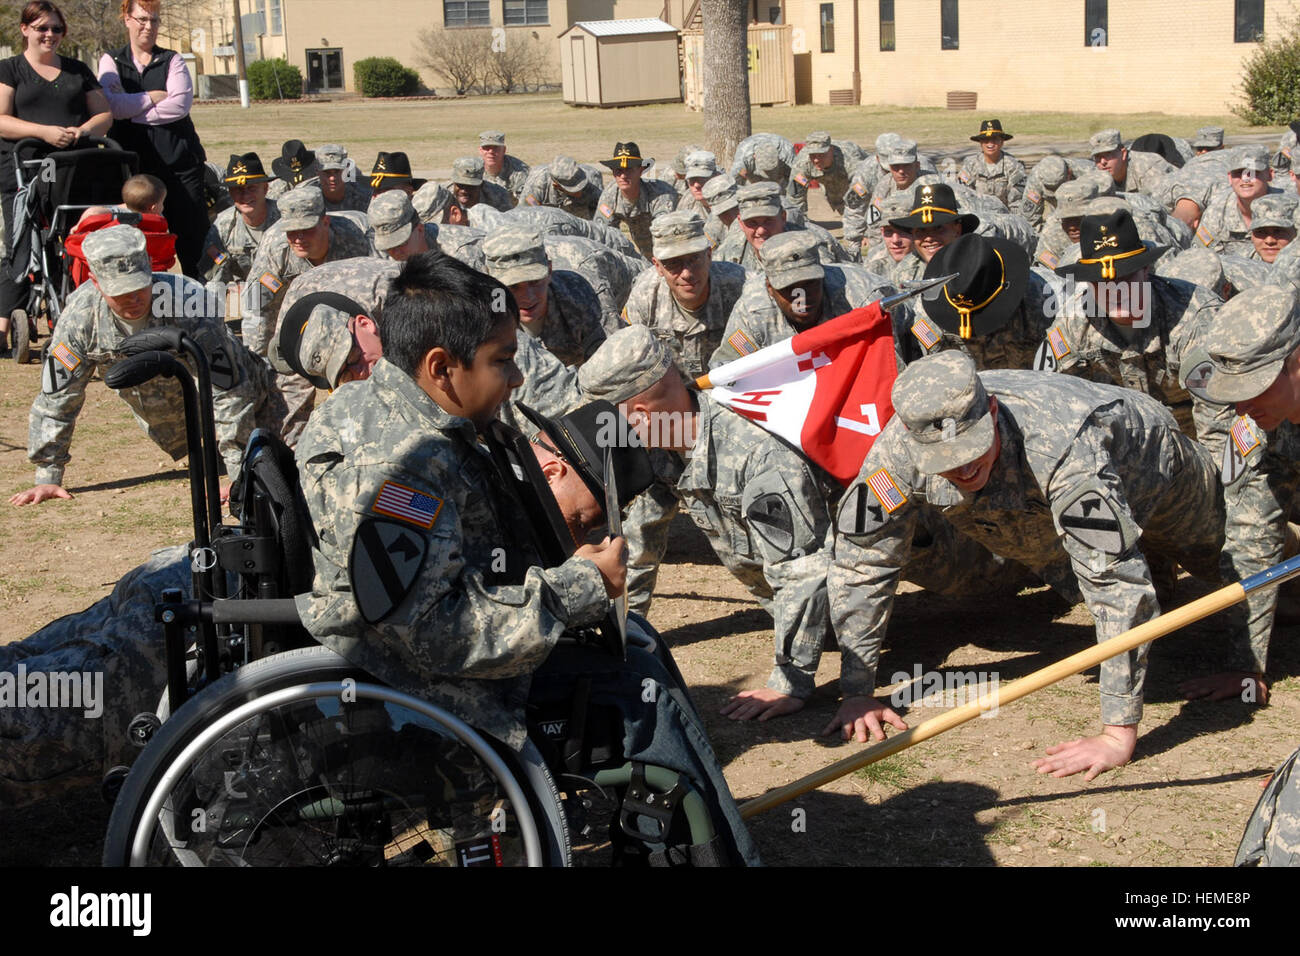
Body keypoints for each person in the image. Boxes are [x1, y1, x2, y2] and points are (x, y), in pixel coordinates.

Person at [293, 251, 757, 864]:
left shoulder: (388, 408)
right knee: (646, 697)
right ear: (440, 367)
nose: (516, 380)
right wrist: (578, 587)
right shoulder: (400, 465)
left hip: (413, 662)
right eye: (502, 361)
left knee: (640, 650)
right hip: (416, 692)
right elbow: (436, 634)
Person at [828, 351, 1225, 779]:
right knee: (1124, 576)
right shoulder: (896, 454)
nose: (963, 466)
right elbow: (861, 561)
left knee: (1228, 565)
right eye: (944, 459)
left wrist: (1117, 733)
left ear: (992, 412)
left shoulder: (1064, 443)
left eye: (971, 447)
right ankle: (1159, 575)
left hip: (1160, 471)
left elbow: (1114, 582)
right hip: (1050, 497)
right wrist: (857, 691)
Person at [579, 325, 836, 723]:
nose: (604, 437)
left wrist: (789, 681)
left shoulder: (756, 452)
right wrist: (622, 635)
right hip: (795, 609)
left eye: (606, 424)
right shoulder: (666, 444)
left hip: (843, 607)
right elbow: (639, 544)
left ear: (641, 416)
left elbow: (803, 573)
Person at [10, 224, 287, 506]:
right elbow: (57, 397)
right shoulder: (80, 318)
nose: (132, 299)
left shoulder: (188, 303)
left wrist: (238, 473)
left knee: (278, 460)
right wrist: (48, 474)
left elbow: (229, 389)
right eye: (119, 292)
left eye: (138, 287)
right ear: (95, 282)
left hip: (251, 402)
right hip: (173, 418)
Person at [1044, 209, 1221, 436]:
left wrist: (1209, 471)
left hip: (1191, 438)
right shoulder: (1071, 324)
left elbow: (1218, 417)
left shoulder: (1193, 316)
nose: (1115, 290)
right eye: (1101, 281)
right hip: (1120, 443)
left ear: (1145, 270)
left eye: (1125, 277)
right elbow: (1061, 406)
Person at [0, 0, 111, 356]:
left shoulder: (78, 70)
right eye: (42, 28)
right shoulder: (10, 69)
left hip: (75, 169)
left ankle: (77, 315)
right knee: (23, 243)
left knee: (75, 242)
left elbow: (104, 114)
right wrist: (45, 133)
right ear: (25, 30)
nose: (50, 35)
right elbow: (1, 118)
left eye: (56, 29)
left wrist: (83, 130)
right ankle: (6, 321)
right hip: (25, 169)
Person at [97, 0, 208, 279]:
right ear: (126, 19)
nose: (149, 26)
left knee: (194, 240)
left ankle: (203, 307)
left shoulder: (173, 60)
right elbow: (111, 106)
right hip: (133, 170)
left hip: (180, 167)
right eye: (142, 19)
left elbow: (179, 106)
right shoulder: (111, 61)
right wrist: (151, 97)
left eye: (155, 20)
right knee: (135, 242)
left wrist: (130, 110)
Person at [621, 210, 746, 381]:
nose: (686, 273)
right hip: (674, 393)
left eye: (694, 259)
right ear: (658, 266)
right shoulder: (644, 297)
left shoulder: (742, 286)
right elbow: (631, 362)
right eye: (673, 263)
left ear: (709, 255)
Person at [480, 224, 607, 367]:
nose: (528, 297)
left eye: (534, 282)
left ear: (549, 270)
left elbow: (605, 362)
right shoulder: (480, 318)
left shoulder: (577, 295)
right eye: (513, 287)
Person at [202, 152, 278, 283]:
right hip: (244, 295)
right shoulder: (222, 226)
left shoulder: (284, 218)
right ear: (230, 193)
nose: (245, 196)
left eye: (252, 188)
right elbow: (214, 275)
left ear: (265, 188)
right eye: (238, 190)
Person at [596, 141, 678, 259]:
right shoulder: (610, 196)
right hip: (643, 249)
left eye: (629, 170)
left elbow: (666, 234)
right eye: (618, 170)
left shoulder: (661, 194)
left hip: (672, 247)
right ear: (613, 173)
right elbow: (603, 233)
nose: (623, 176)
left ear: (640, 170)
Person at [786, 131, 862, 216]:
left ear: (831, 150)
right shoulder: (803, 164)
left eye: (821, 155)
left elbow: (864, 187)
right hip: (830, 182)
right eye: (813, 155)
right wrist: (798, 220)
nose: (816, 160)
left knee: (857, 213)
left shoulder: (850, 160)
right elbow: (795, 196)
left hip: (860, 177)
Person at [958, 119, 1026, 208]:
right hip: (977, 215)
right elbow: (963, 196)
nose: (990, 144)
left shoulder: (1014, 166)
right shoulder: (970, 165)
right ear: (980, 143)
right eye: (986, 140)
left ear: (1002, 142)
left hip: (1005, 217)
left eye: (995, 139)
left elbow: (1016, 203)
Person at [519, 156, 603, 221]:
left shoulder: (591, 180)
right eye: (573, 189)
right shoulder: (537, 183)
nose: (580, 192)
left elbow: (604, 208)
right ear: (556, 185)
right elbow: (526, 210)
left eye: (581, 186)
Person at [313, 143, 370, 213]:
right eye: (327, 172)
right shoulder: (309, 199)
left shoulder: (363, 197)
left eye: (337, 172)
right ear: (317, 171)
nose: (332, 178)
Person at [448, 156, 514, 213]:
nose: (464, 191)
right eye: (460, 185)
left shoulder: (499, 196)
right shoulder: (444, 196)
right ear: (454, 183)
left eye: (470, 186)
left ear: (481, 185)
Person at [478, 129, 529, 200]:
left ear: (504, 150)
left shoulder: (520, 171)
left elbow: (528, 201)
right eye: (486, 148)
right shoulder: (473, 169)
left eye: (495, 148)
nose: (491, 152)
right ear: (480, 150)